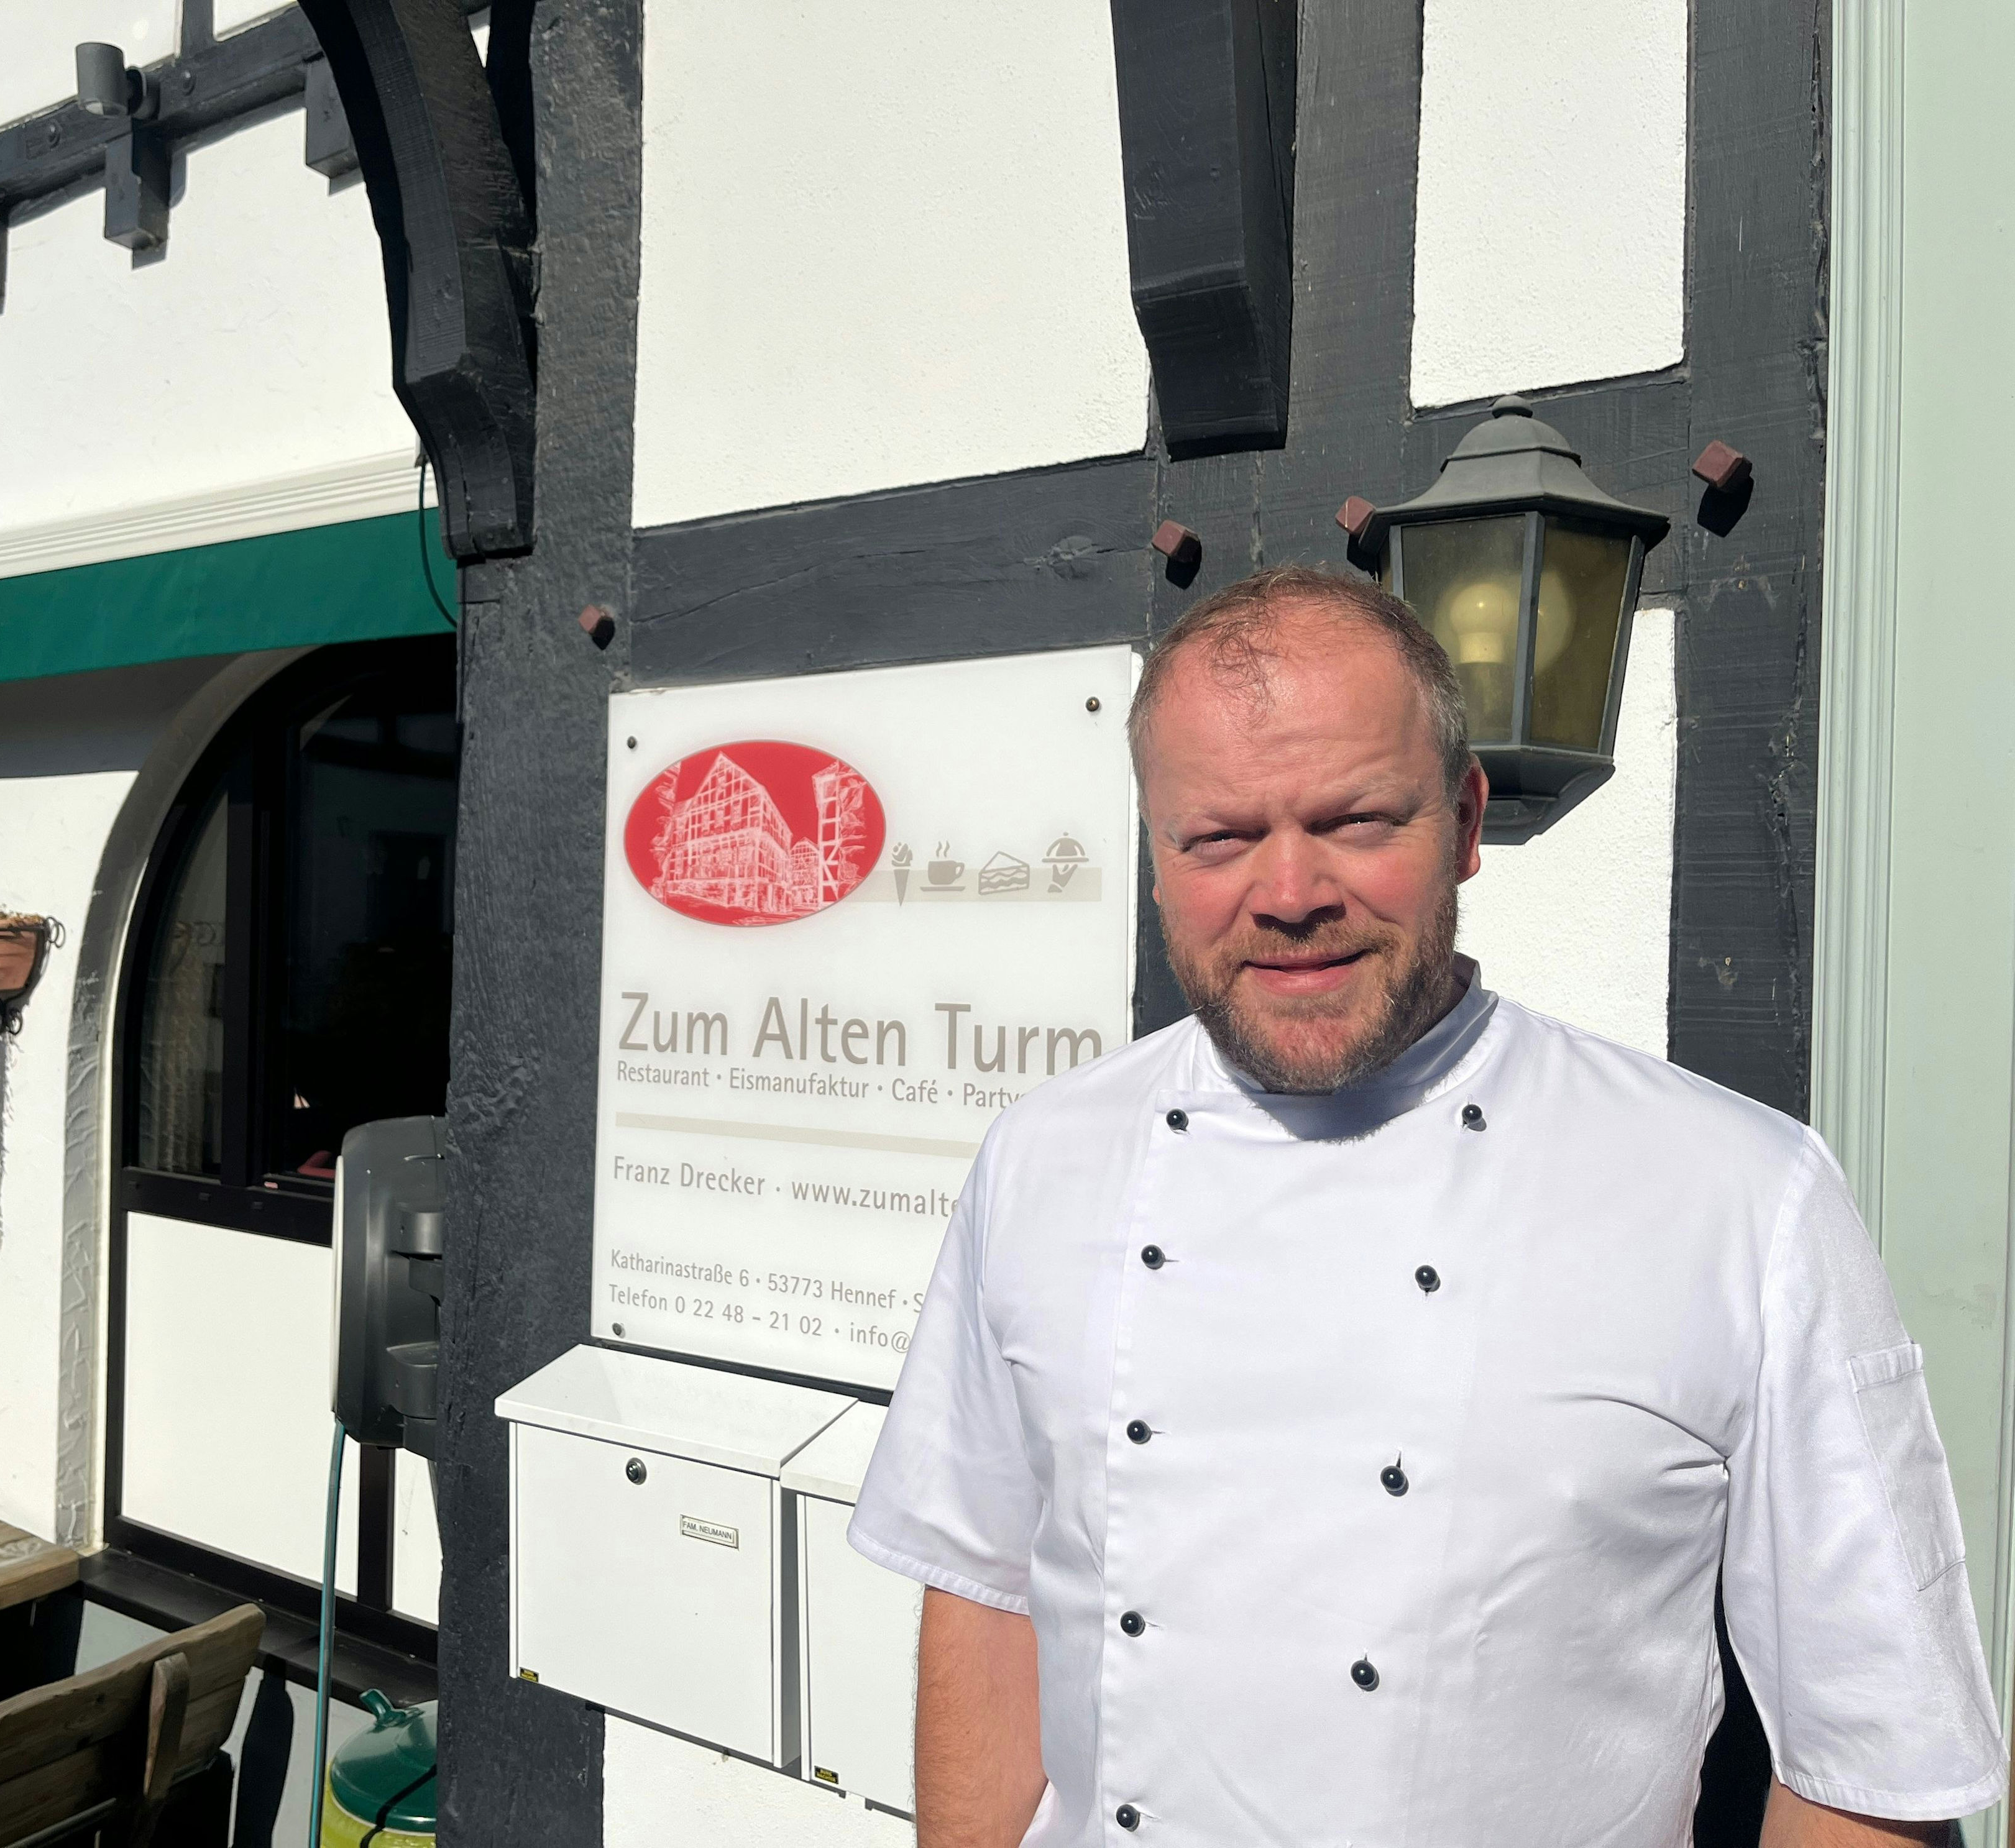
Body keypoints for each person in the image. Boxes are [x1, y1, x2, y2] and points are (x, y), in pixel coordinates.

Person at [847, 566, 2006, 1848]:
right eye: (1218, 837)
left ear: (1463, 820)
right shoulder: (1039, 1158)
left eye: (1353, 819)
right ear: (1158, 852)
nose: (1288, 893)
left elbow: (1868, 1759)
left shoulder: (1740, 1195)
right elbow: (984, 1585)